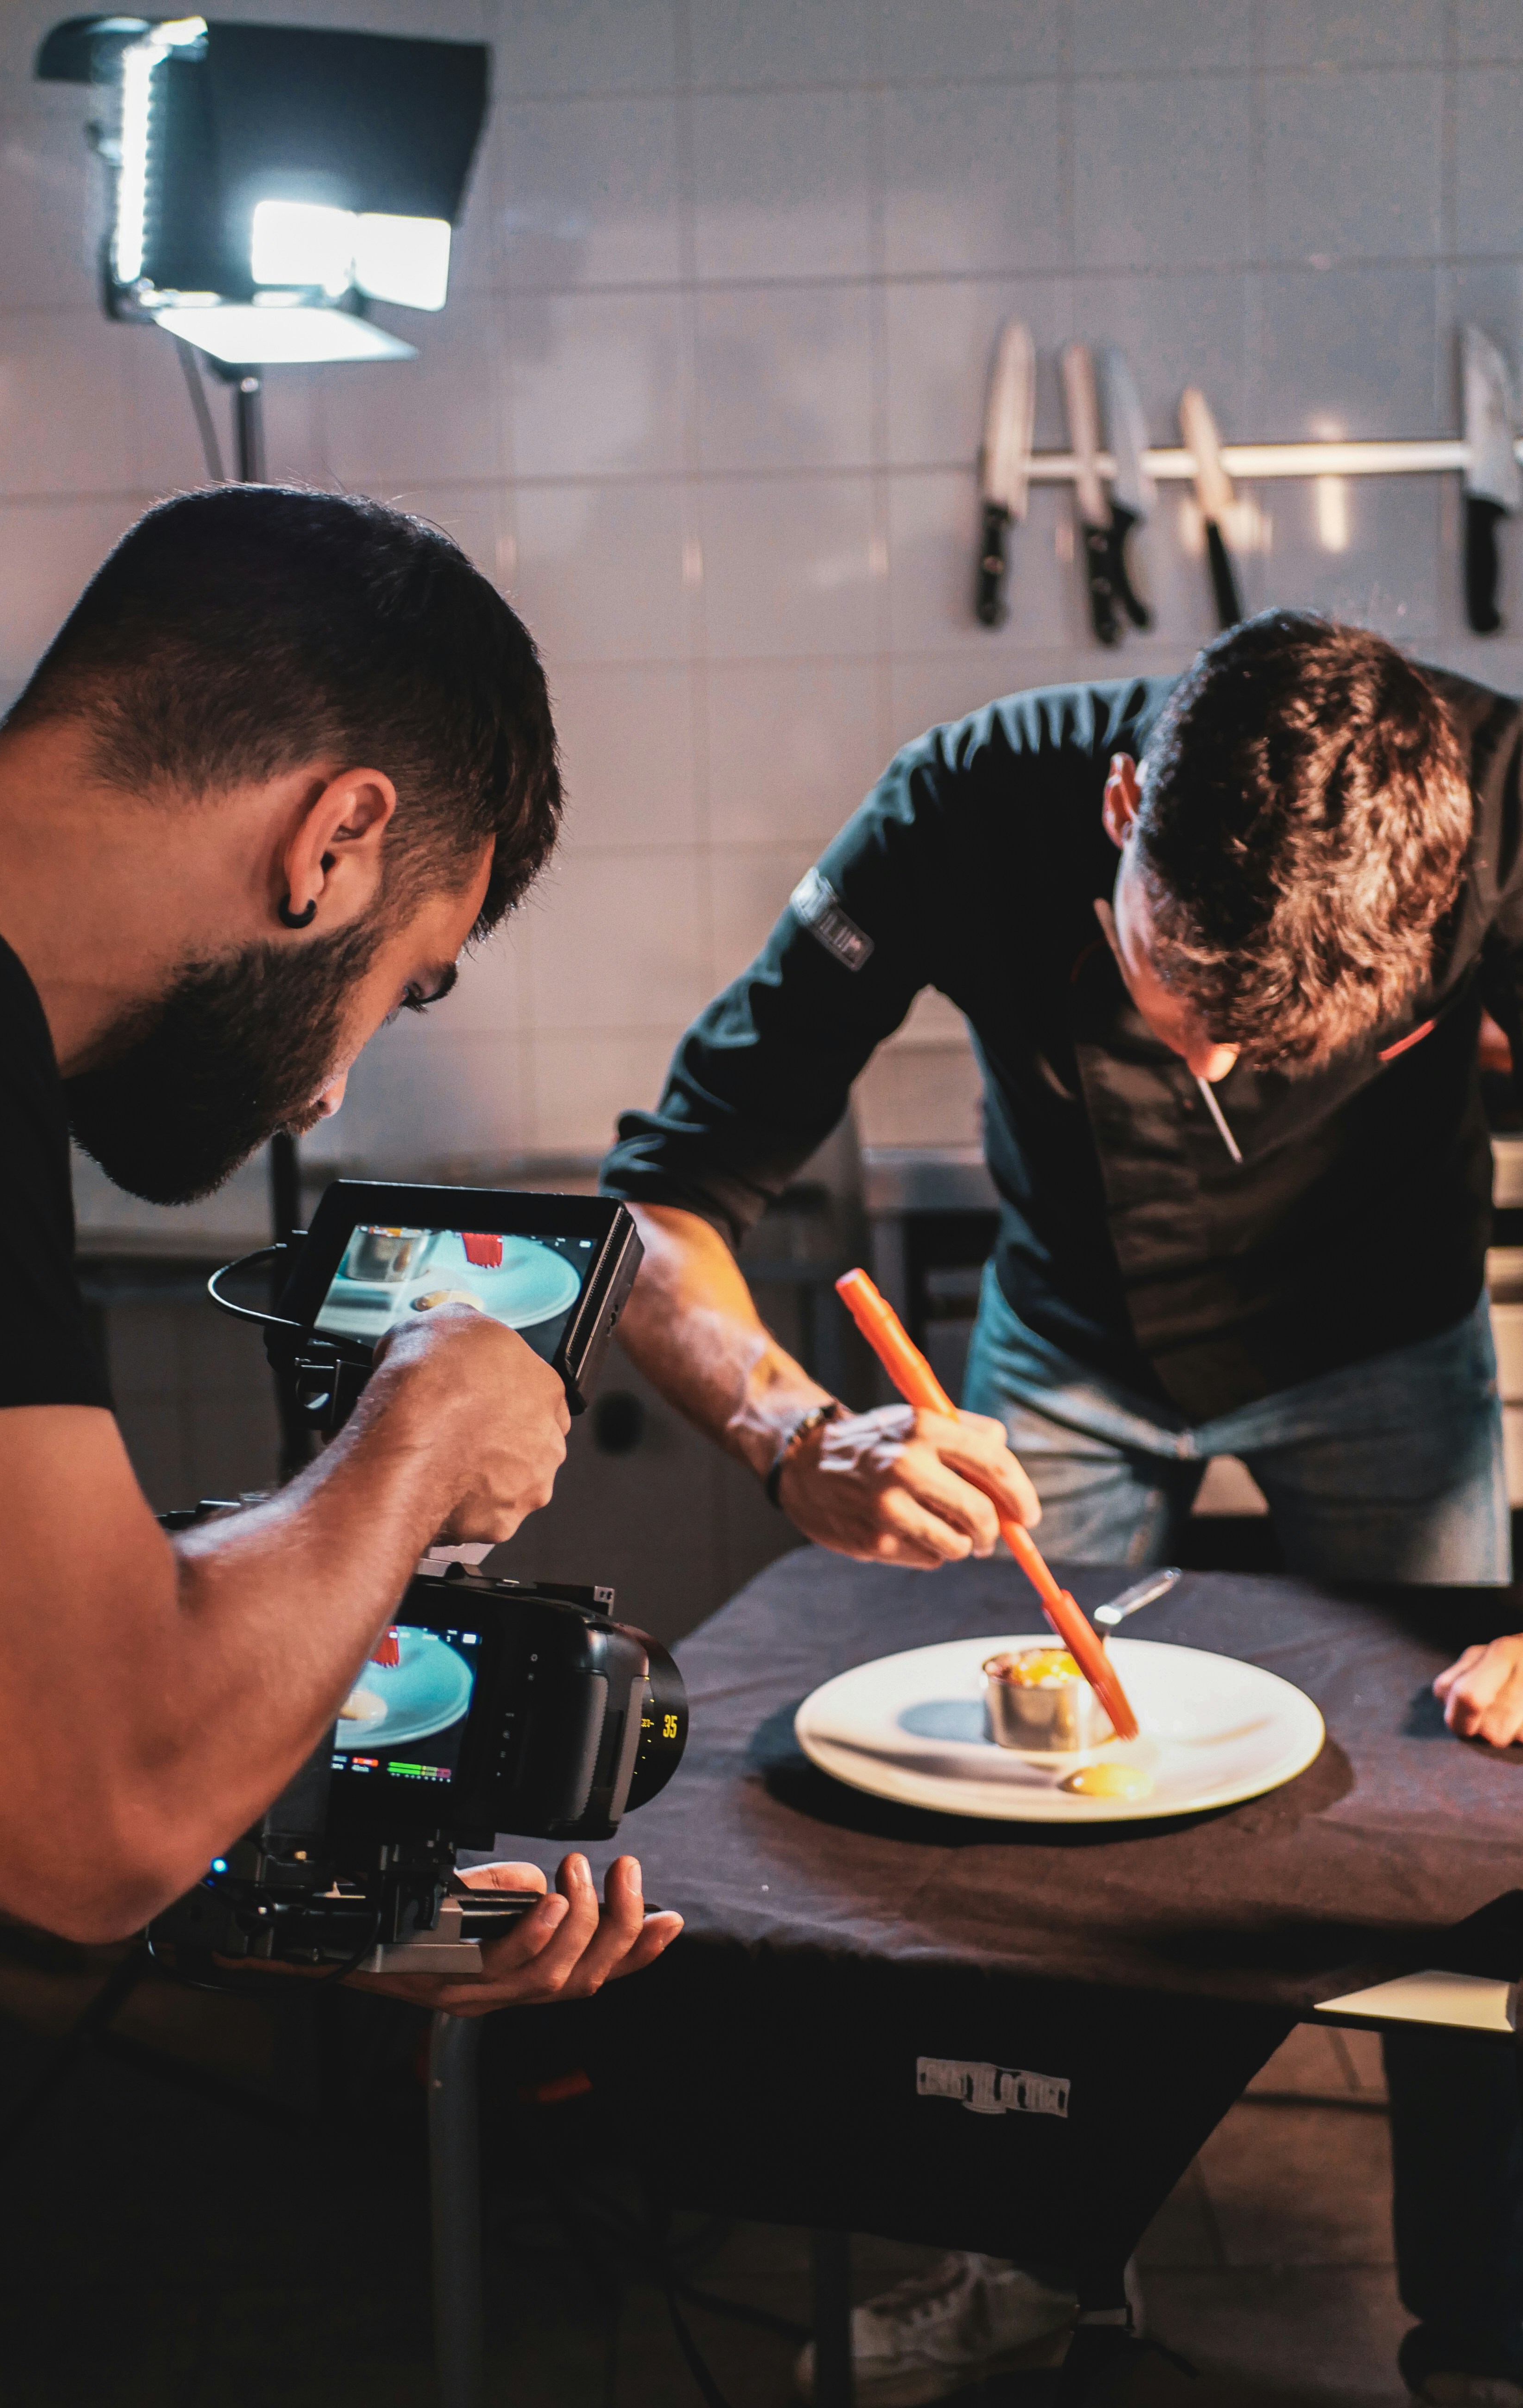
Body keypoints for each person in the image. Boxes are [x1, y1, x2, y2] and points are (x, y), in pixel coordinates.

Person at [0, 487, 682, 2404]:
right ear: (333, 843)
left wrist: (295, 1906)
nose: (330, 1084)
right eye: (404, 985)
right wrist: (419, 1423)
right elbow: (86, 1811)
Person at [605, 612, 1523, 2408]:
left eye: (1287, 1056)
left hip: (1389, 1341)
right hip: (1072, 1339)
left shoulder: (1517, 803)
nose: (1227, 1092)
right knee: (1011, 1810)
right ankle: (1029, 2260)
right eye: (1191, 1021)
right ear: (1117, 810)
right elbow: (667, 1198)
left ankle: (1488, 2335)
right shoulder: (962, 806)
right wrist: (798, 1432)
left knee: (1474, 1816)